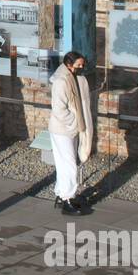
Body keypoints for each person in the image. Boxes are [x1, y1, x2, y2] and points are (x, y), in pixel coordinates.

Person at [49, 50, 94, 215]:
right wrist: (74, 122)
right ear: (69, 65)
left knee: (63, 164)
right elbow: (59, 109)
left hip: (70, 128)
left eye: (83, 64)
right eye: (78, 65)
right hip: (63, 129)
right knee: (69, 165)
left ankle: (61, 195)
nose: (82, 67)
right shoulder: (61, 82)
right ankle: (68, 198)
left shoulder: (77, 78)